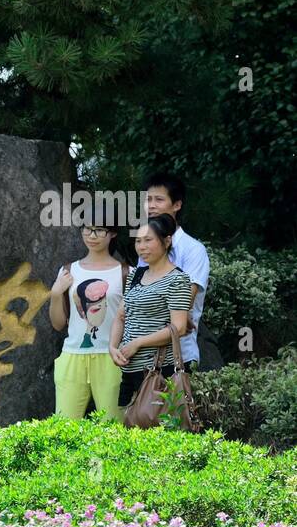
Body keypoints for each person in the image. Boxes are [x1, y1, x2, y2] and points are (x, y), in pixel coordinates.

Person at [110, 213, 194, 410]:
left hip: (157, 370)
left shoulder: (178, 279)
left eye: (148, 240)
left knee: (153, 431)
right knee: (127, 430)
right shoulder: (136, 275)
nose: (141, 246)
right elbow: (121, 316)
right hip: (129, 367)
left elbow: (179, 328)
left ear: (166, 241)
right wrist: (112, 348)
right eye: (138, 241)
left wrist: (138, 343)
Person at [49, 221, 131, 419]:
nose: (92, 235)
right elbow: (58, 324)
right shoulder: (68, 271)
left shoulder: (126, 273)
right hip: (72, 355)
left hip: (111, 357)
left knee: (114, 429)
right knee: (64, 430)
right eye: (87, 229)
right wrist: (55, 294)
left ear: (112, 234)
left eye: (99, 230)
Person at [140, 172, 209, 371]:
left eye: (159, 200)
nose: (151, 206)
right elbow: (137, 295)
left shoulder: (193, 250)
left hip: (180, 355)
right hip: (145, 354)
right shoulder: (145, 247)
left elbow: (184, 300)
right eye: (148, 200)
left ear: (177, 205)